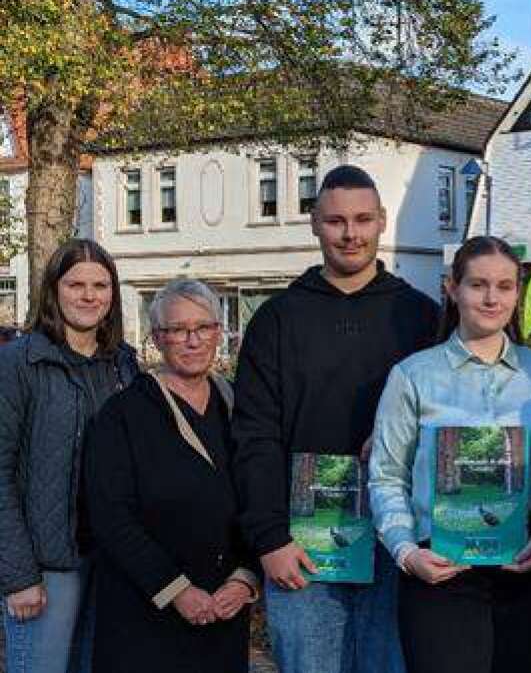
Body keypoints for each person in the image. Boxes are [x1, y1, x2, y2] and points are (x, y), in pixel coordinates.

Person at [232, 164, 439, 673]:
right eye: (336, 221)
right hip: (304, 548)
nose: (351, 234)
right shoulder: (276, 320)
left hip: (399, 541)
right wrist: (270, 539)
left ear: (383, 222)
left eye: (363, 219)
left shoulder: (421, 316)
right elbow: (253, 437)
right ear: (314, 224)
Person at [369, 236, 531, 673]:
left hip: (525, 565)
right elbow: (386, 476)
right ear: (451, 288)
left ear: (518, 293)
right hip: (439, 568)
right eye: (478, 284)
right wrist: (406, 552)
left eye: (505, 285)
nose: (492, 297)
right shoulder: (412, 376)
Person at [84, 279, 259, 673]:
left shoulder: (240, 407)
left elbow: (260, 496)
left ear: (219, 332)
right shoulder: (122, 415)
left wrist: (245, 577)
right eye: (178, 330)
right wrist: (175, 589)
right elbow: (110, 517)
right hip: (147, 612)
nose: (193, 340)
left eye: (204, 327)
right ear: (156, 339)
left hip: (222, 609)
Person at [0, 239, 138, 673]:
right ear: (53, 290)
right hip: (46, 567)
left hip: (112, 560)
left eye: (100, 284)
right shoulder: (20, 362)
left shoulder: (124, 365)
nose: (89, 295)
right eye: (75, 283)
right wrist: (19, 575)